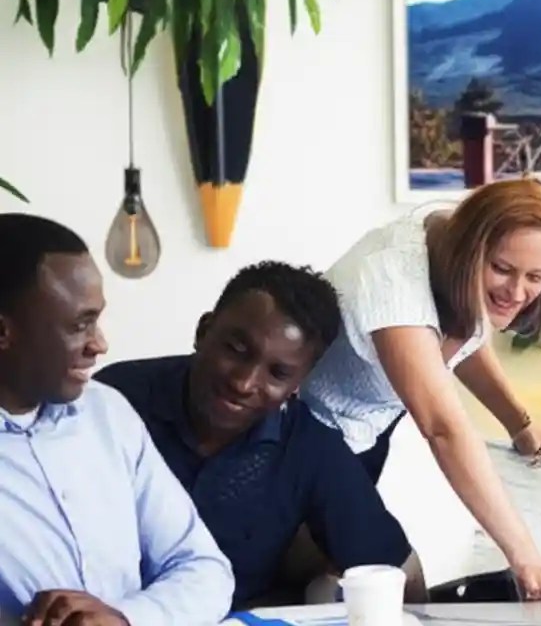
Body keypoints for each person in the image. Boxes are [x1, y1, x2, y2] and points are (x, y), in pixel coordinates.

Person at [300, 178, 541, 602]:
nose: (517, 291)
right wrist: (526, 558)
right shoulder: (395, 281)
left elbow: (464, 341)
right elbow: (442, 428)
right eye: (503, 269)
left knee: (337, 573)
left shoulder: (455, 267)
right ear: (471, 251)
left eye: (535, 277)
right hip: (303, 433)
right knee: (399, 581)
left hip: (363, 434)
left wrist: (518, 423)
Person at [94, 261, 426, 610]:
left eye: (278, 373)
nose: (244, 383)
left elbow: (397, 573)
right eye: (236, 350)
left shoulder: (310, 448)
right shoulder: (114, 400)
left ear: (299, 383)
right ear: (204, 330)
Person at [0, 213, 234, 625]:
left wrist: (125, 620)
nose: (100, 344)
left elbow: (204, 569)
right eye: (80, 325)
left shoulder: (107, 414)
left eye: (97, 319)